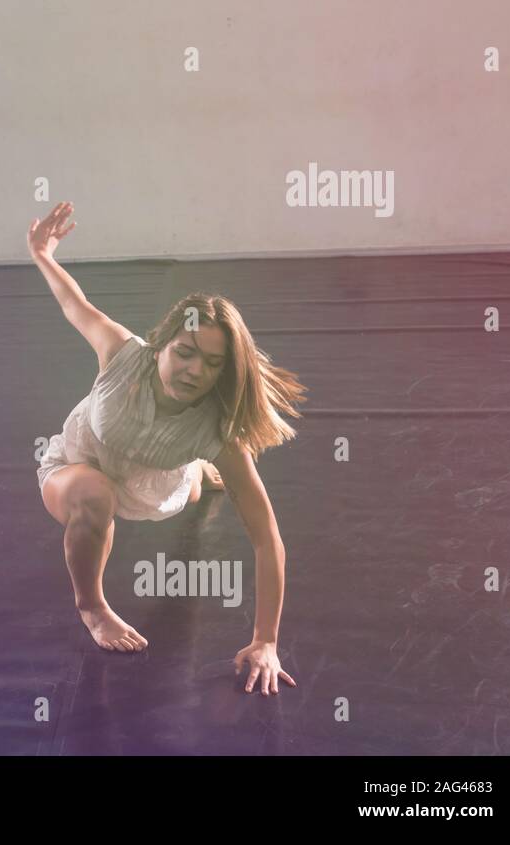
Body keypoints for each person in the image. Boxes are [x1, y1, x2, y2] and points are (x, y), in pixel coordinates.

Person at [29, 202, 304, 697]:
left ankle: (196, 474)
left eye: (213, 363)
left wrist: (266, 640)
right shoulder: (121, 353)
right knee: (93, 496)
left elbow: (267, 537)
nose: (195, 370)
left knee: (193, 491)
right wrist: (43, 253)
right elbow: (74, 303)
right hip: (78, 464)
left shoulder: (220, 434)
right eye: (185, 351)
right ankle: (92, 607)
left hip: (158, 482)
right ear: (160, 345)